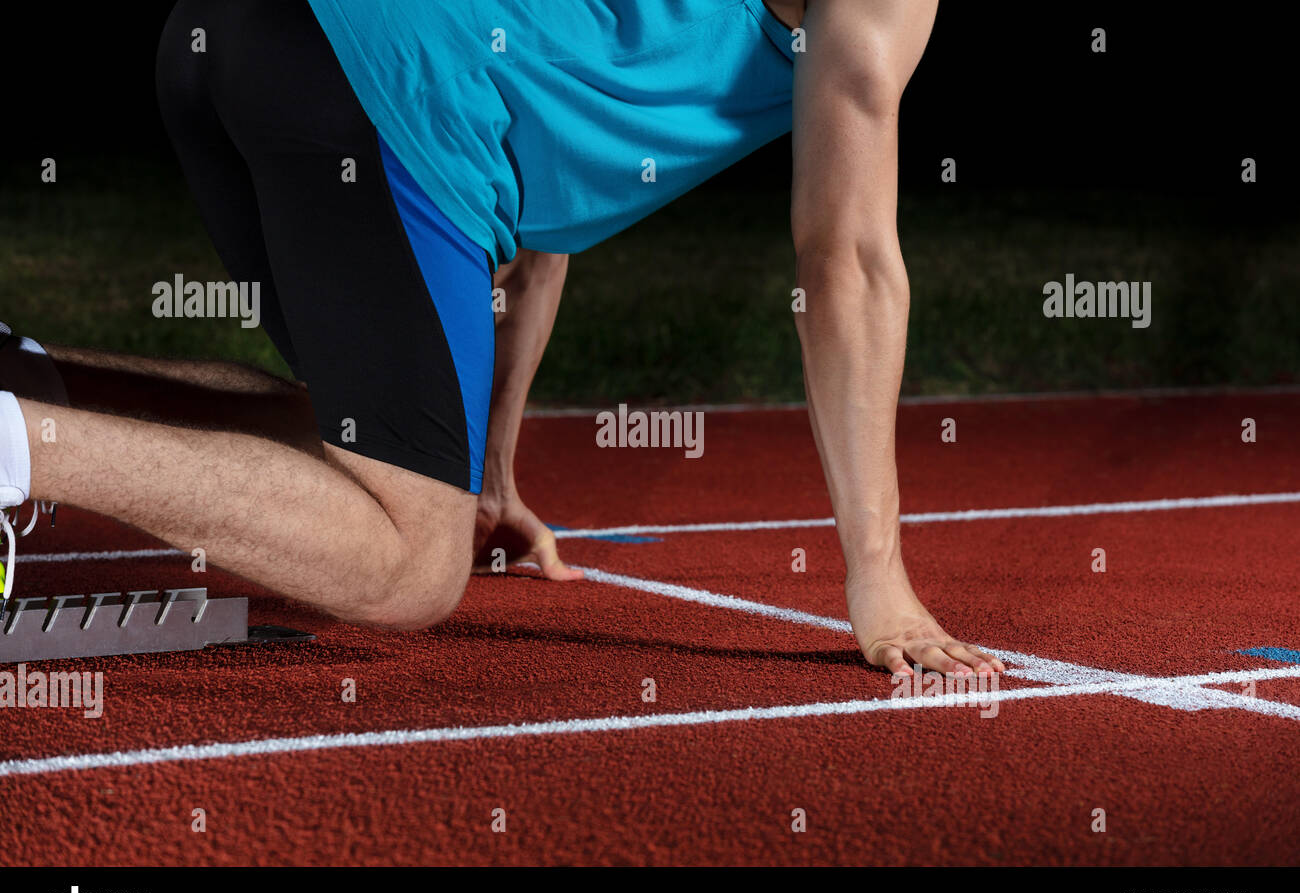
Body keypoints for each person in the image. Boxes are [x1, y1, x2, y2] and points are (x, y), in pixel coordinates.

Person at [1, 0, 1003, 678]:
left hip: (234, 40)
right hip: (389, 86)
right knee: (409, 560)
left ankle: (21, 377)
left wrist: (487, 474)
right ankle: (12, 444)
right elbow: (848, 263)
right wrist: (879, 578)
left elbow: (535, 240)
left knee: (349, 446)